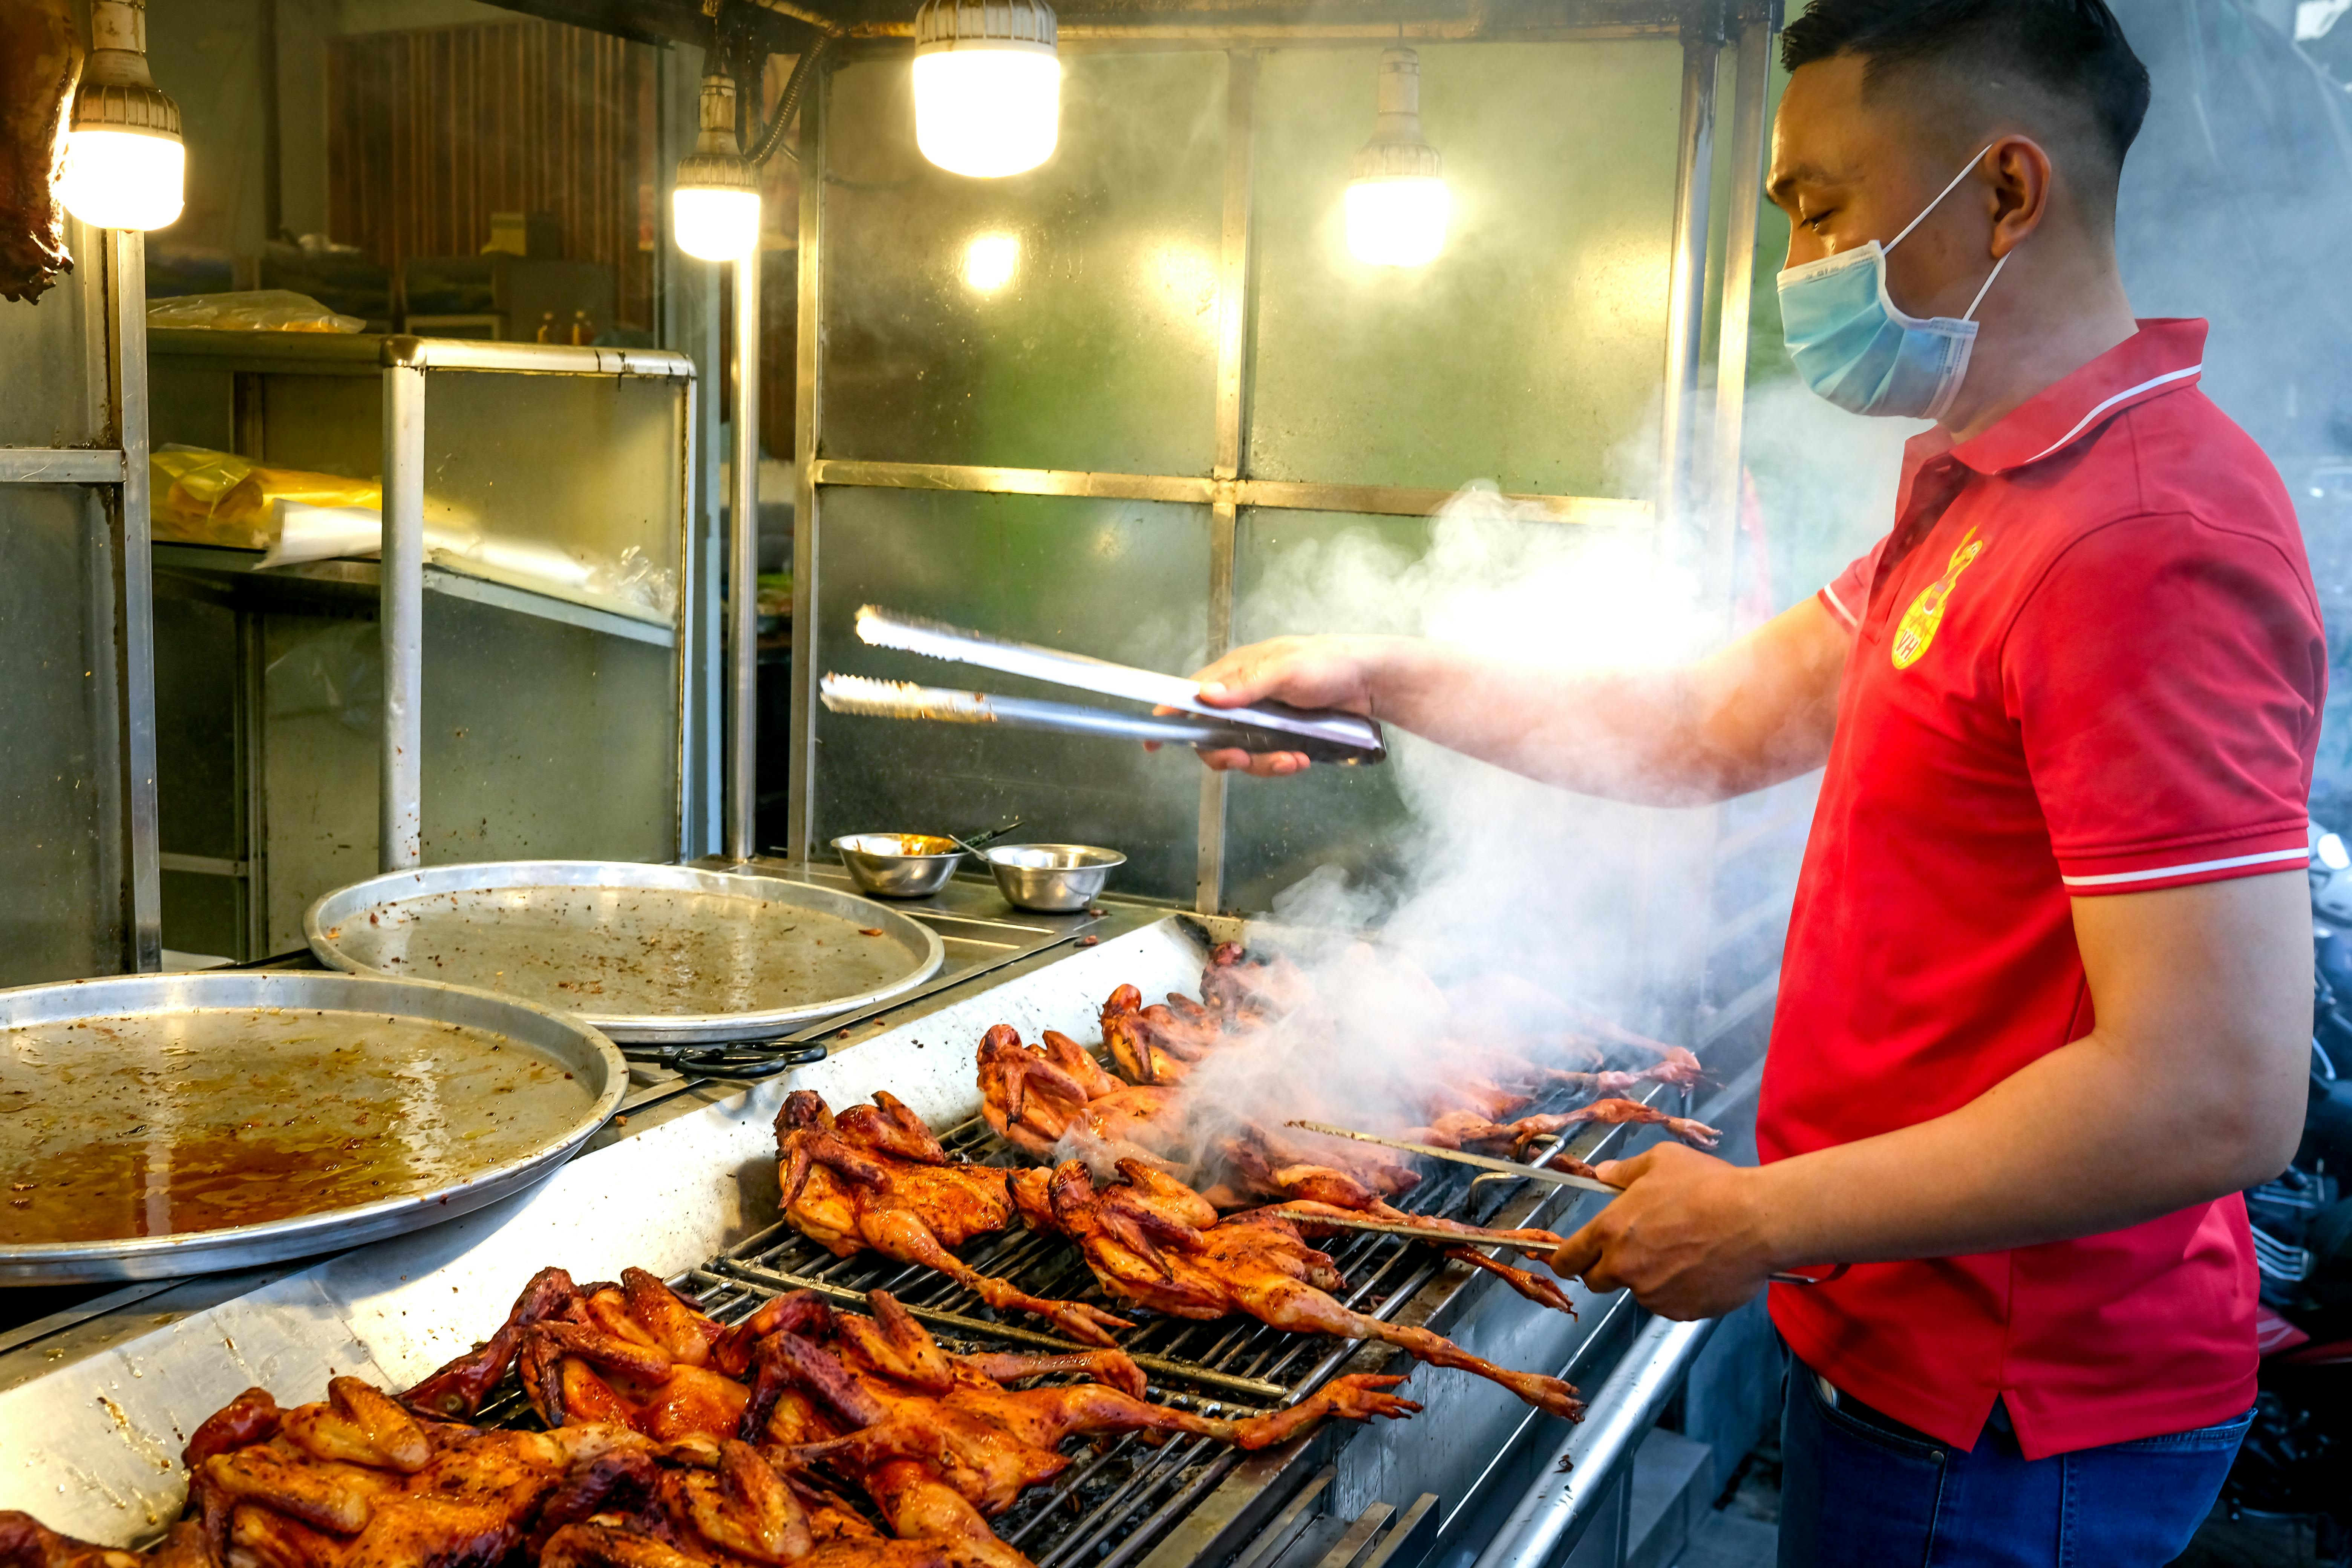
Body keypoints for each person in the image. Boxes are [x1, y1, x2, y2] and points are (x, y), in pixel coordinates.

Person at [1178, 0, 2324, 1561]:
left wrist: (1767, 1212)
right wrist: (1381, 675)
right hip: (1914, 1353)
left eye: (1823, 207)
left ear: (2005, 190)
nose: (1798, 268)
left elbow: (2211, 1089)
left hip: (2011, 1409)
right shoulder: (1987, 493)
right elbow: (1706, 725)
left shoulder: (2143, 541)